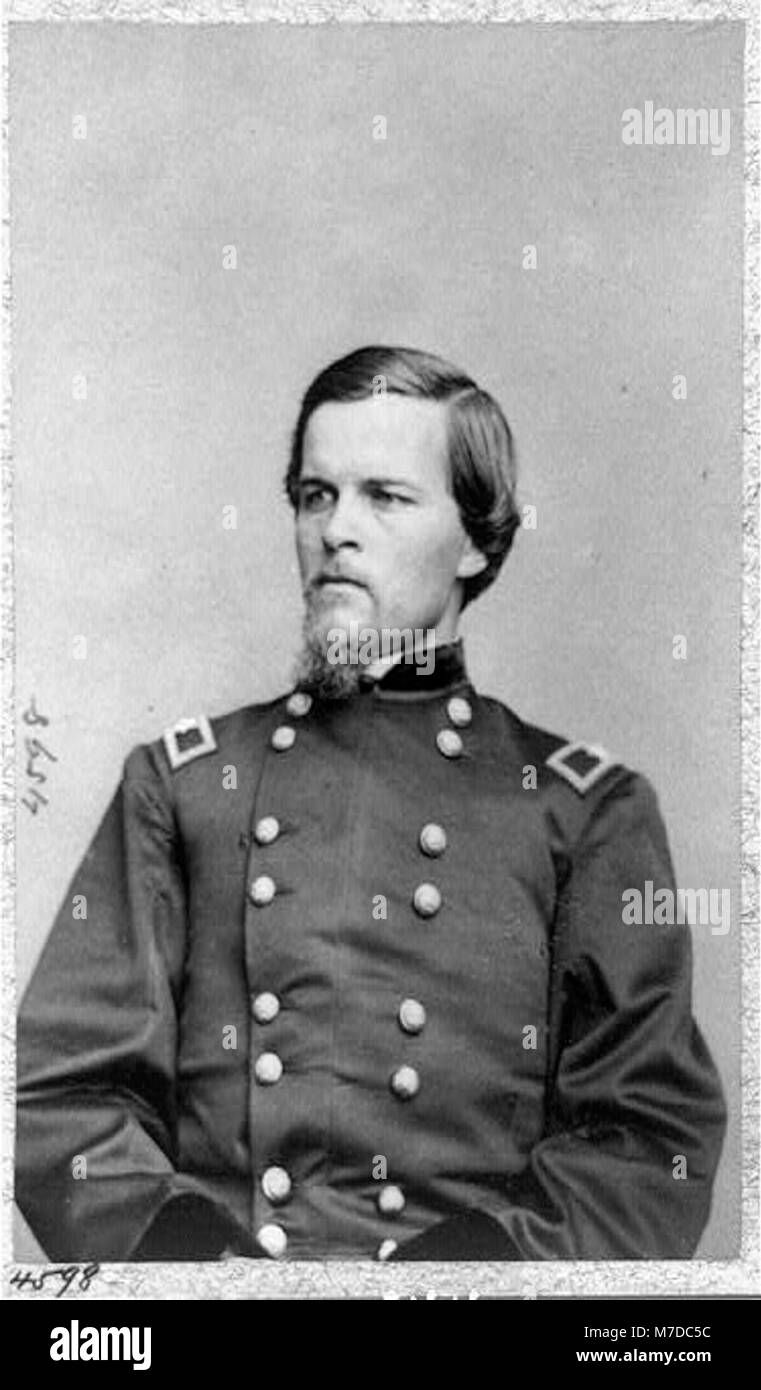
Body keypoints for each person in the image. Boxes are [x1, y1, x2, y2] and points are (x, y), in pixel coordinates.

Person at [16, 345, 726, 1263]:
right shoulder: (182, 783)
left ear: (475, 539)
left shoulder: (582, 811)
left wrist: (462, 1281)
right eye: (315, 496)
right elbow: (65, 1096)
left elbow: (644, 1139)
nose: (334, 532)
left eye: (384, 497)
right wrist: (194, 1274)